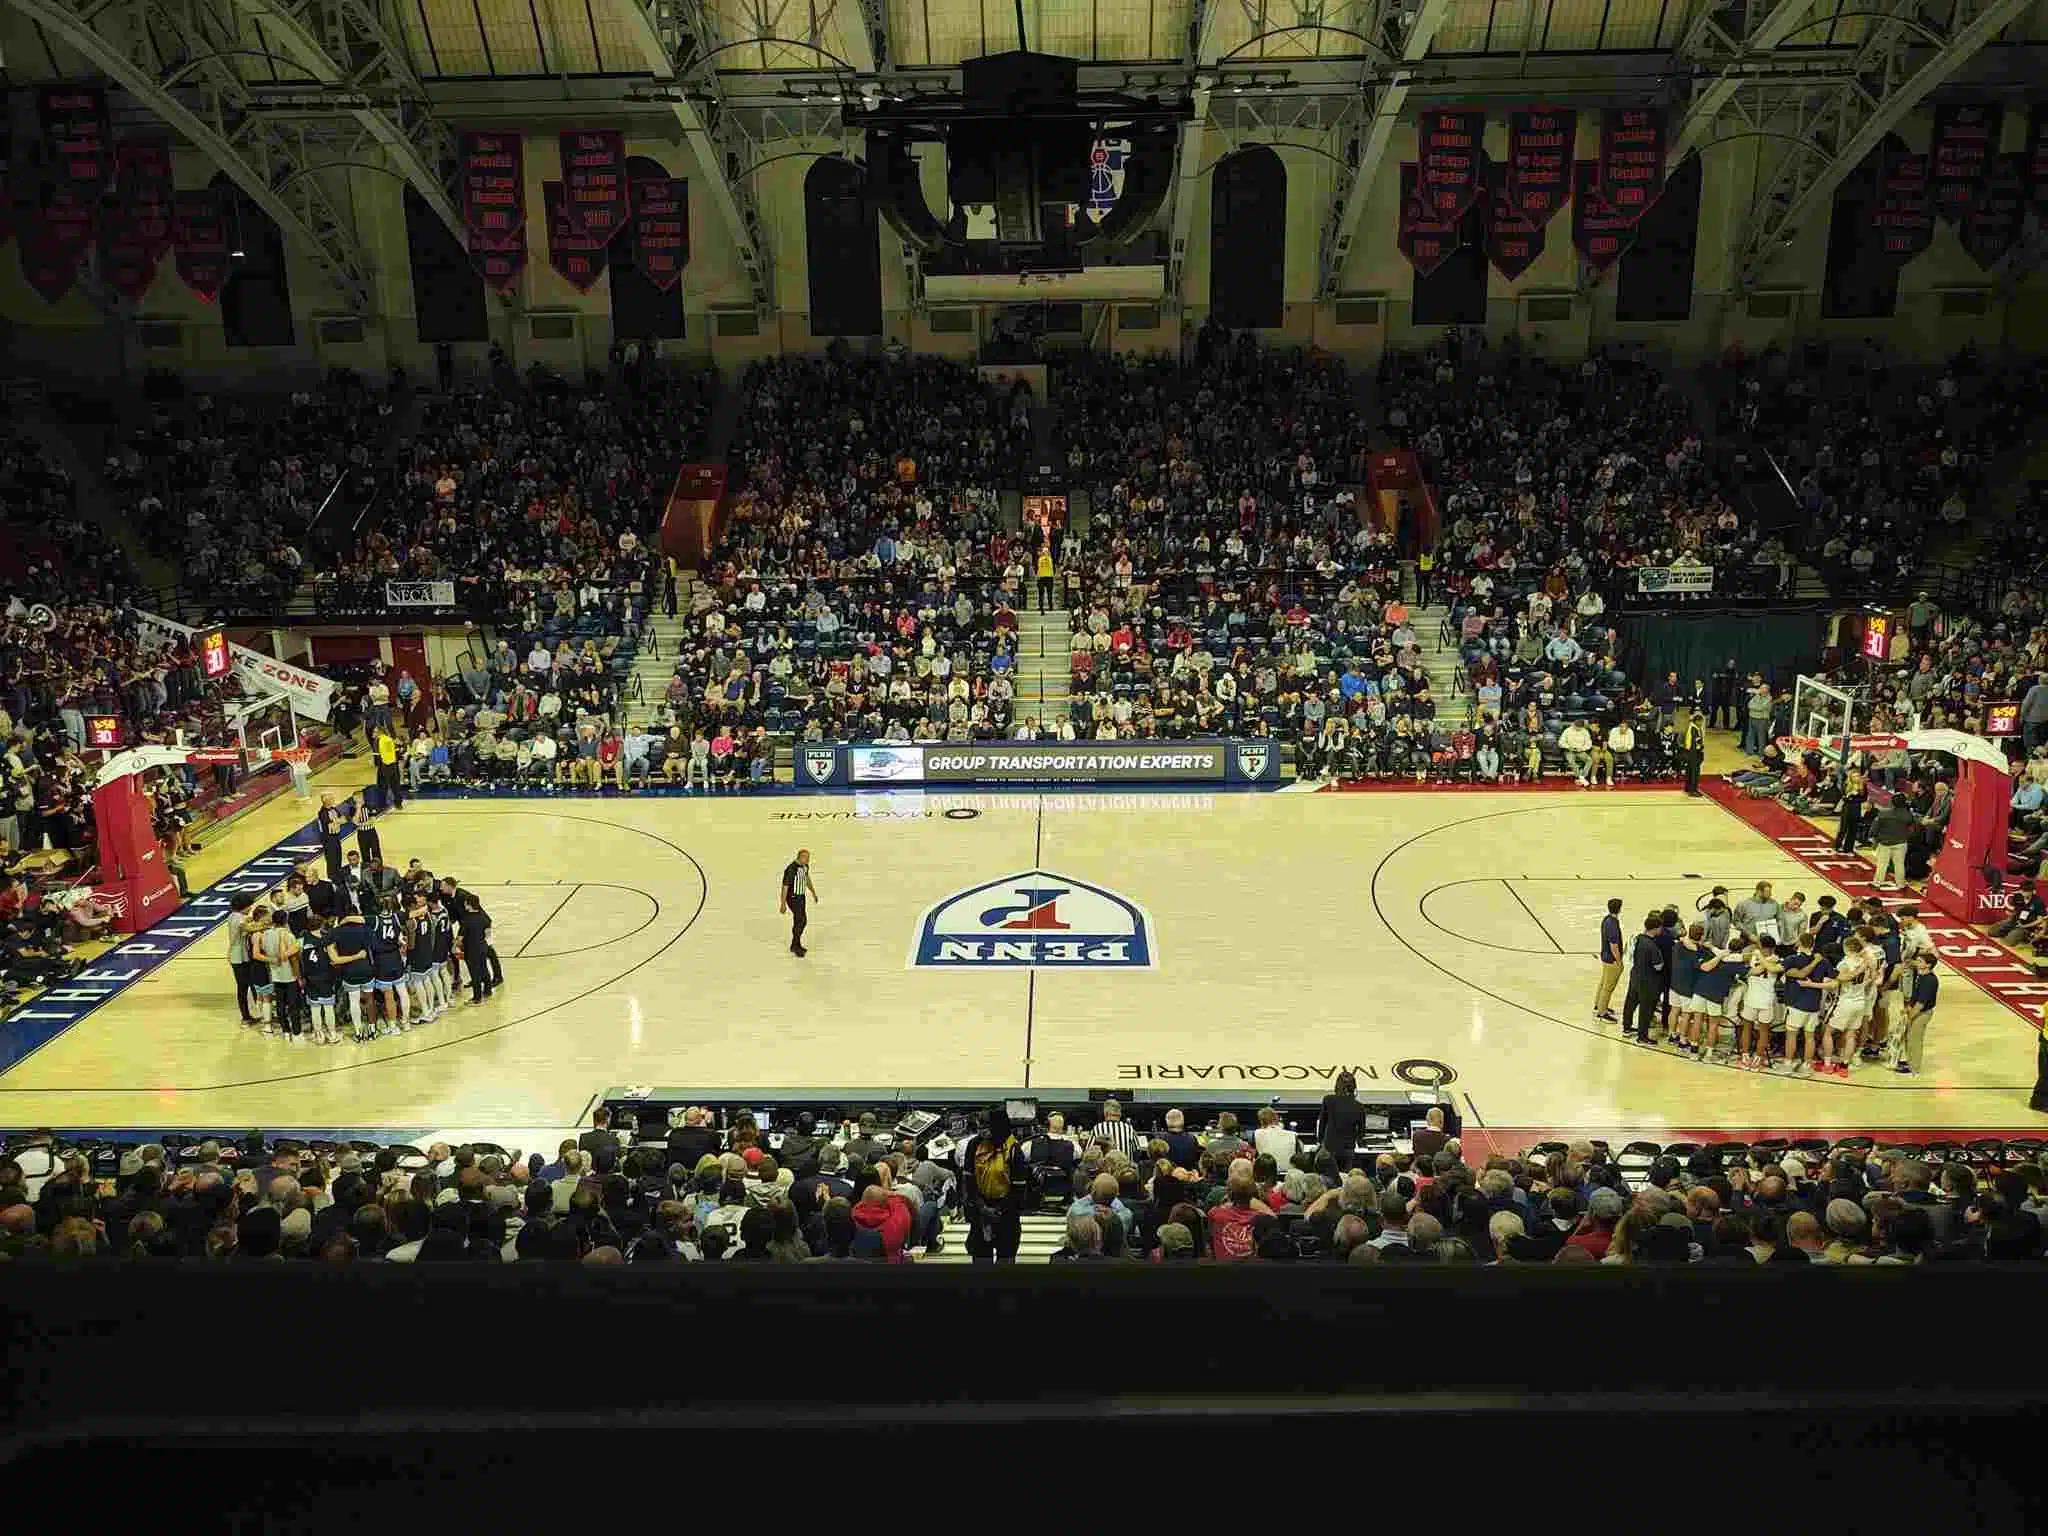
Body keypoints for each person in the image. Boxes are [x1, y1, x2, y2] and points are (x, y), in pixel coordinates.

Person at [960, 1105, 1031, 1263]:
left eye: (986, 1127)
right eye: (979, 1127)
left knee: (1005, 1265)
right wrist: (982, 1208)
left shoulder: (1013, 1150)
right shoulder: (974, 1146)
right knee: (980, 1264)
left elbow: (1018, 1190)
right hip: (981, 1212)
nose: (981, 1131)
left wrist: (999, 1211)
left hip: (1006, 1214)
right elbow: (969, 1181)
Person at [1621, 913, 1666, 1044]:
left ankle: (1627, 1028)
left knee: (1630, 1003)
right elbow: (1658, 966)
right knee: (1646, 1009)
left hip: (1635, 975)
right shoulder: (1652, 946)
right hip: (1647, 981)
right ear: (1656, 929)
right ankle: (1642, 1036)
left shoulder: (1638, 938)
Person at [1895, 951, 1937, 1075]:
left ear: (1928, 965)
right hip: (1916, 1011)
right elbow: (1915, 997)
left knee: (1915, 1040)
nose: (1916, 963)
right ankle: (1909, 1061)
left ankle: (1914, 1068)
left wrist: (1910, 1016)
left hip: (1921, 1013)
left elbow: (1921, 1004)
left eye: (1920, 961)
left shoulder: (1929, 981)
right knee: (1909, 1037)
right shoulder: (1921, 975)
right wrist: (1908, 1007)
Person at [1316, 1069, 1366, 1170]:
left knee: (1329, 1175)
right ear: (1354, 1087)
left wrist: (1320, 1141)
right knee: (1345, 1176)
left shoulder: (1328, 1100)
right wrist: (1357, 1141)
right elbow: (1361, 1131)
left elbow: (1322, 1122)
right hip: (1348, 1148)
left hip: (1330, 1146)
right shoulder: (1359, 1106)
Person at [779, 847, 817, 957]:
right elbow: (785, 886)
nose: (808, 860)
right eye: (807, 858)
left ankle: (795, 943)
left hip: (801, 897)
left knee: (801, 921)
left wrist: (813, 892)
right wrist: (783, 903)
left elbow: (806, 879)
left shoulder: (805, 866)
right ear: (801, 857)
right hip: (792, 897)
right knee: (800, 920)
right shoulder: (791, 869)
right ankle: (795, 945)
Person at [1594, 896, 1625, 1023]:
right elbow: (1614, 945)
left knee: (1603, 983)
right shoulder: (1612, 924)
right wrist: (1619, 961)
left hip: (1605, 957)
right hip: (1612, 960)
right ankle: (1602, 1012)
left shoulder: (1607, 919)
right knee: (1608, 987)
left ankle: (1599, 1005)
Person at [1677, 707, 1705, 796]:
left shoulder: (1693, 727)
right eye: (1700, 722)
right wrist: (1700, 748)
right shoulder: (1693, 729)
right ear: (1696, 721)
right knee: (1694, 772)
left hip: (1691, 753)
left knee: (1690, 771)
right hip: (1693, 754)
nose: (1701, 724)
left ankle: (1688, 788)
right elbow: (1692, 744)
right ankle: (1693, 790)